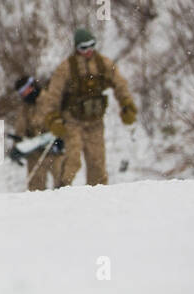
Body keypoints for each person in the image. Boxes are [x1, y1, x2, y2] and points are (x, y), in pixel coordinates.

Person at [35, 28, 138, 187]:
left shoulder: (103, 63)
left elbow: (120, 84)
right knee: (72, 161)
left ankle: (98, 196)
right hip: (73, 121)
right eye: (83, 47)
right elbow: (53, 95)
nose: (88, 51)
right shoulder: (66, 68)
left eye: (91, 46)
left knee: (97, 163)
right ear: (77, 48)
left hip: (95, 122)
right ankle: (61, 190)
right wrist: (53, 118)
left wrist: (127, 105)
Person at [11, 75, 59, 191]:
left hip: (54, 147)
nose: (23, 94)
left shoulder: (50, 99)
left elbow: (63, 119)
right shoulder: (25, 107)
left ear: (31, 86)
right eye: (20, 93)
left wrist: (61, 138)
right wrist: (17, 147)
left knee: (62, 182)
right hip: (35, 150)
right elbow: (20, 128)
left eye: (24, 90)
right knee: (35, 187)